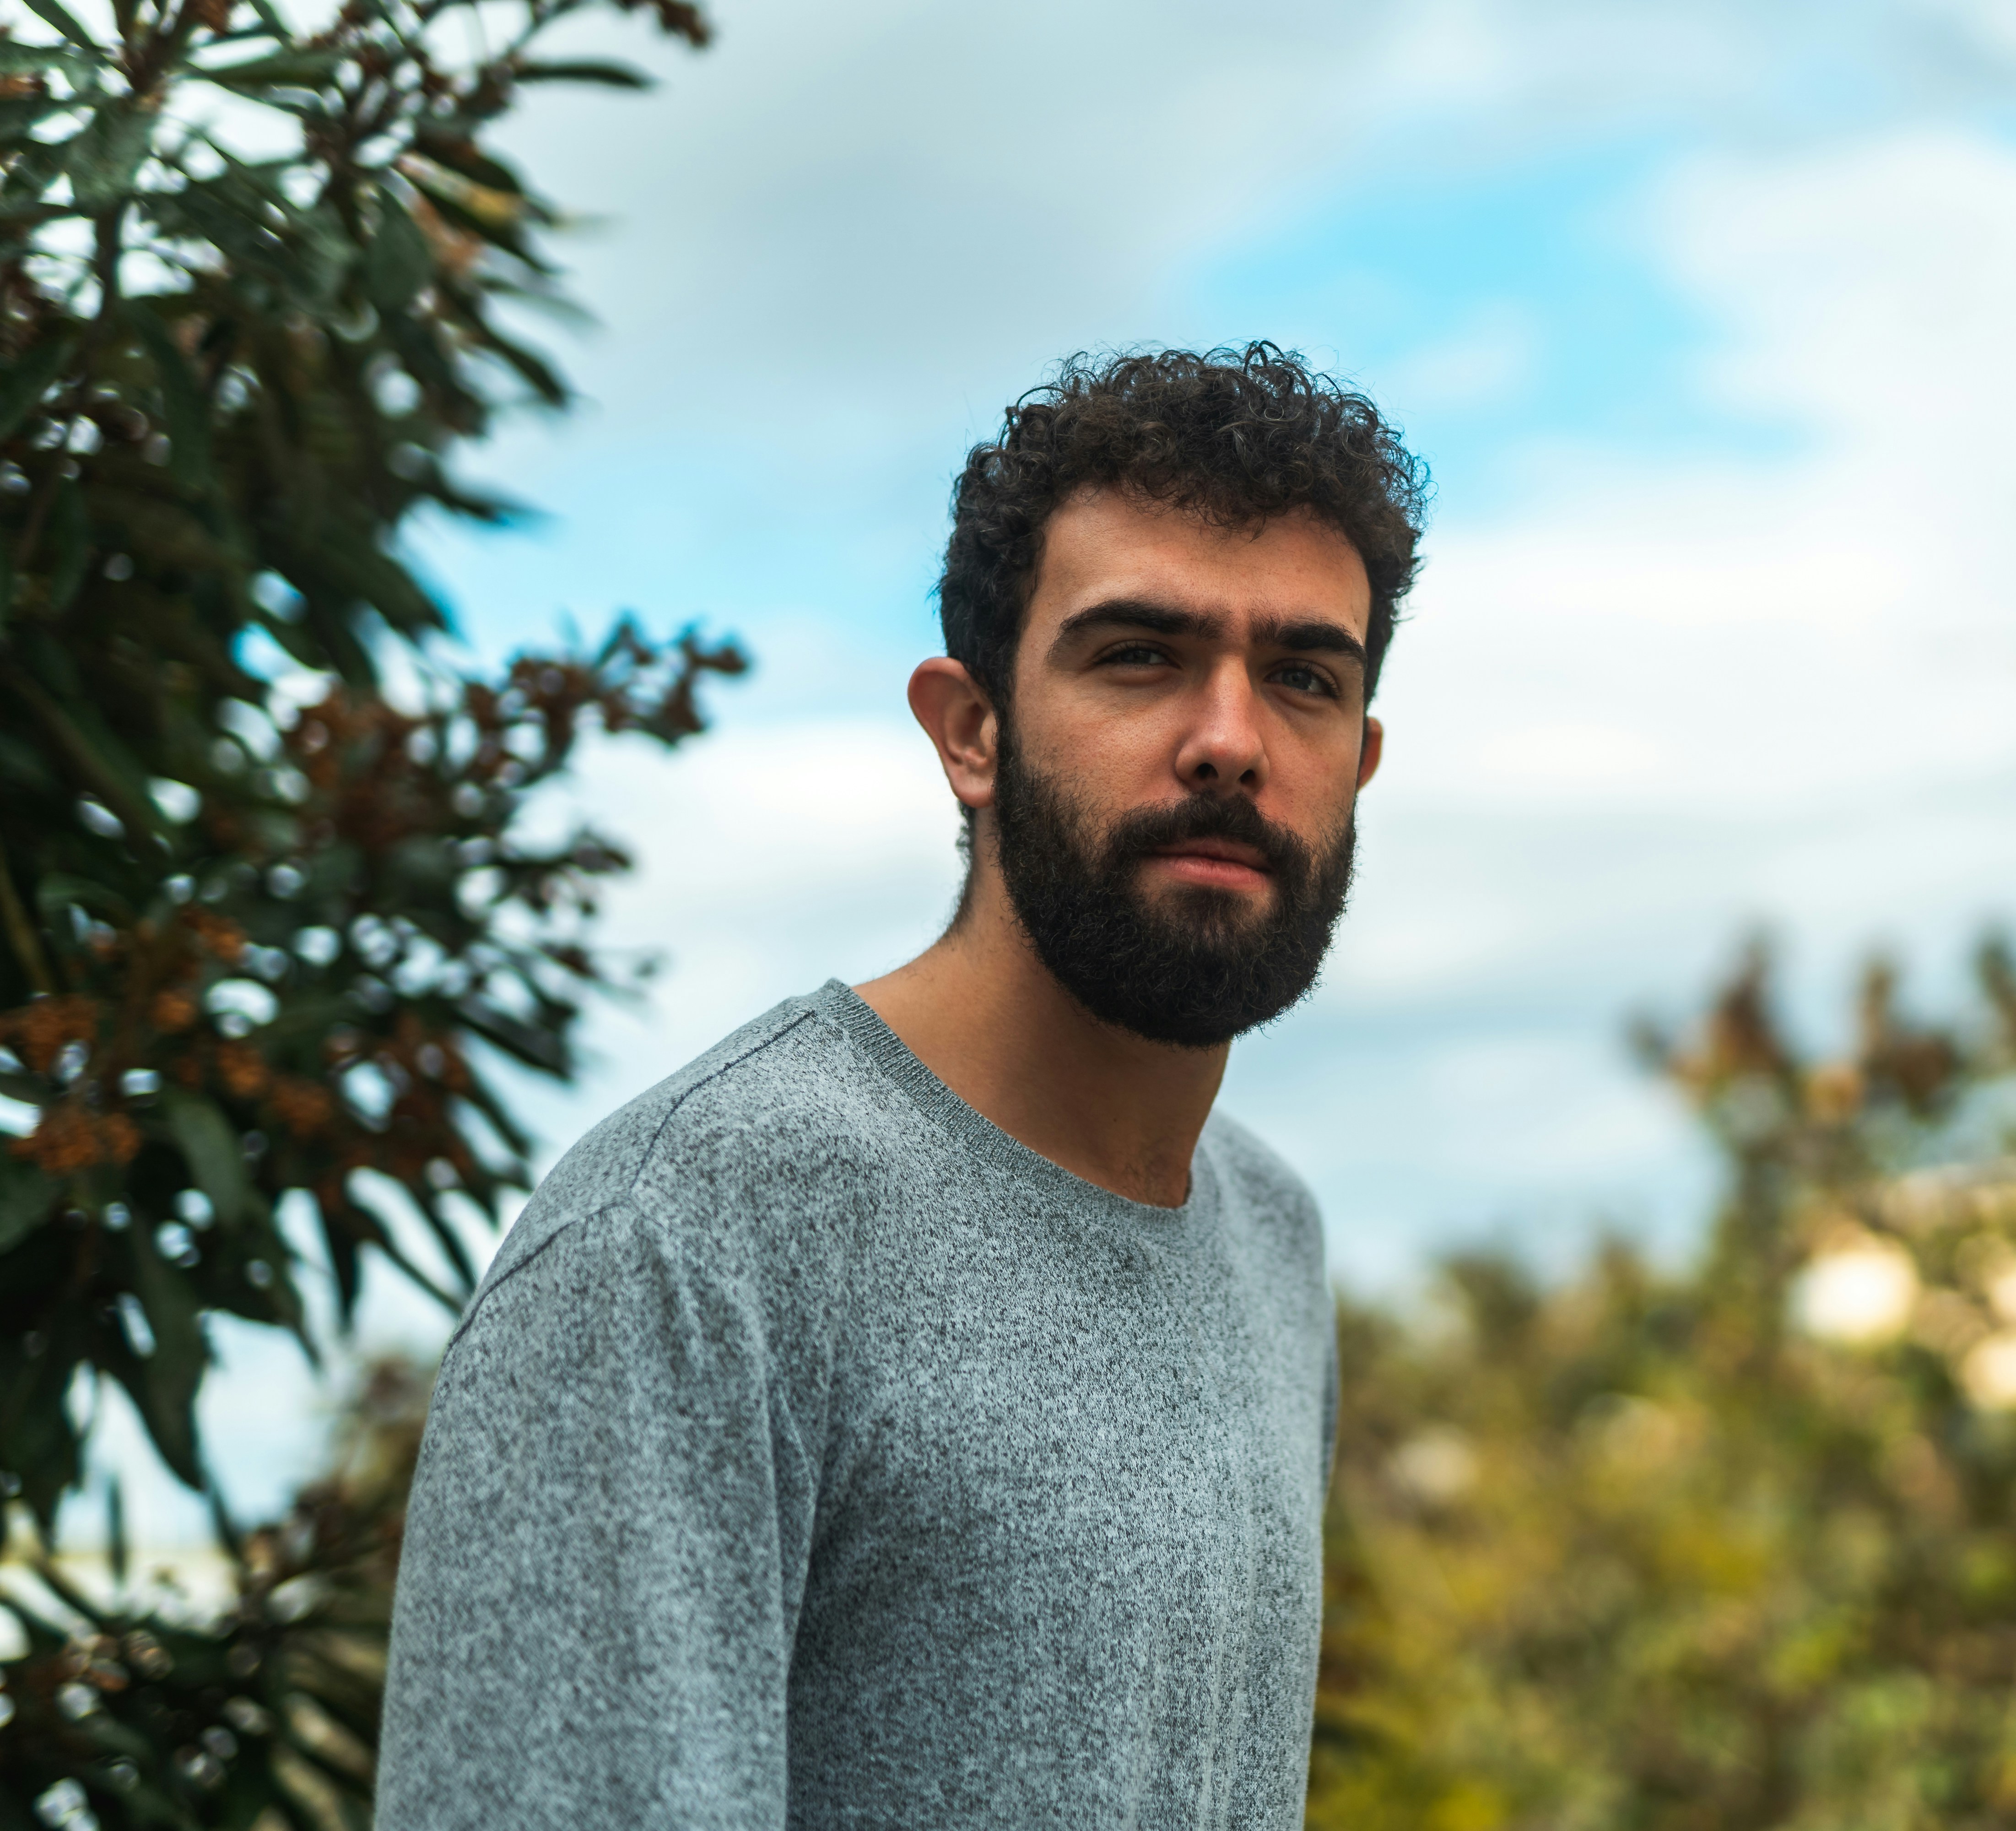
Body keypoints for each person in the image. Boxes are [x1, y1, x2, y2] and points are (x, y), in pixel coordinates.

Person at [374, 345, 1426, 1827]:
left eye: (1304, 678)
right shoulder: (686, 1238)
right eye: (1139, 655)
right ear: (970, 732)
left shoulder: (1270, 1237)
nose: (1230, 742)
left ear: (1359, 762)